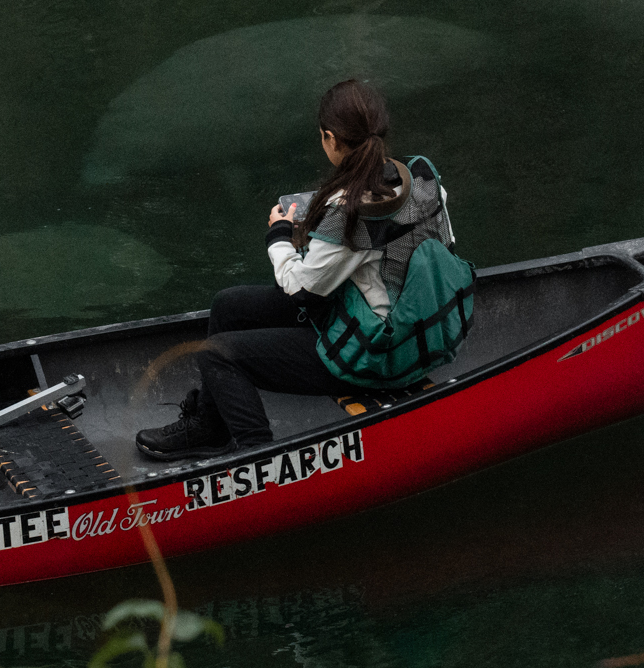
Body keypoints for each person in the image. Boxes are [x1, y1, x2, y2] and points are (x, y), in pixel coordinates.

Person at [135, 79, 459, 461]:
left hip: (378, 353)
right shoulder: (420, 176)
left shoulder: (349, 211)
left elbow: (301, 289)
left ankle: (257, 457)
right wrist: (327, 236)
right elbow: (435, 243)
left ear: (330, 138)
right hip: (418, 329)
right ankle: (211, 426)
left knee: (216, 353)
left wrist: (279, 236)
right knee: (228, 306)